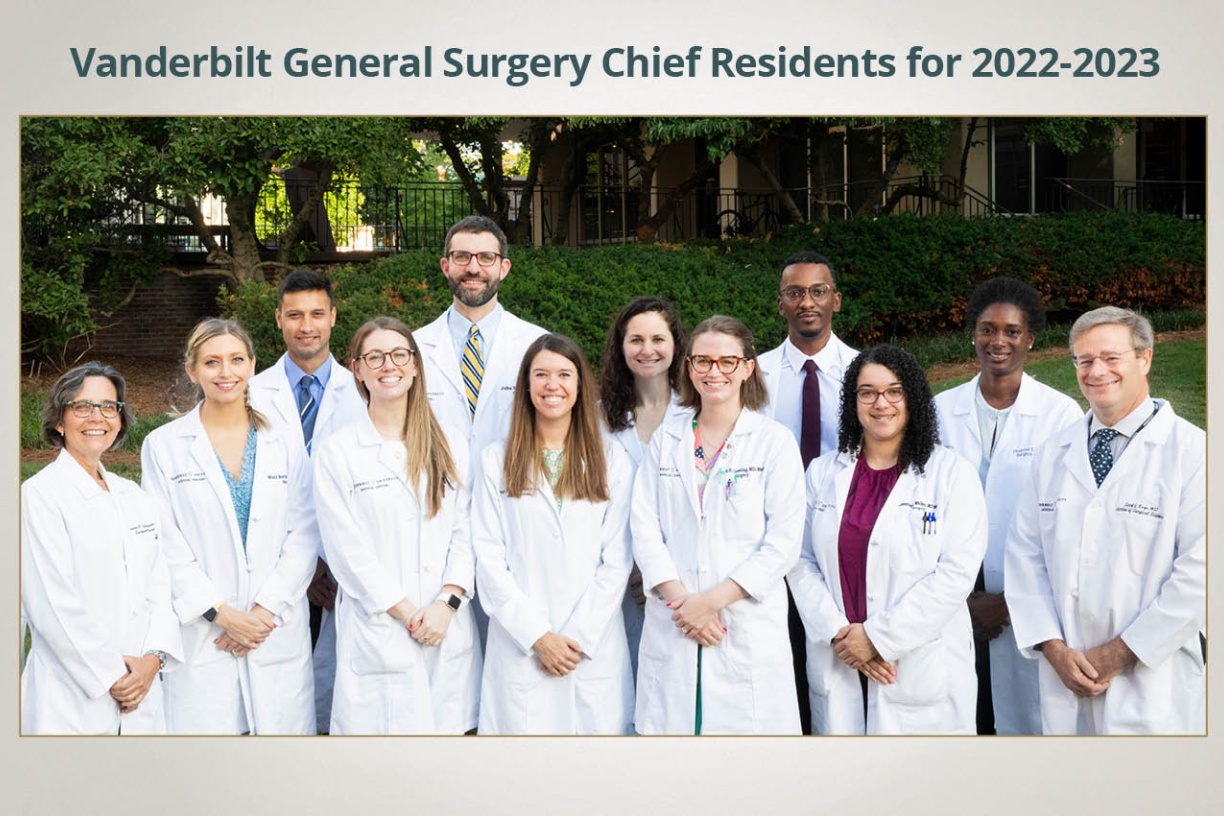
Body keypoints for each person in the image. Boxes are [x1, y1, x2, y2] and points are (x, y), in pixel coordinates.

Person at [1005, 307, 1205, 734]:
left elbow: (1203, 575)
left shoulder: (1195, 454)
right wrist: (1052, 647)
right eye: (1085, 360)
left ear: (1145, 358)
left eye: (1112, 357)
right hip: (1065, 677)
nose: (1097, 371)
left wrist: (1119, 653)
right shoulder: (1053, 454)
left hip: (1153, 684)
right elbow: (1024, 558)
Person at [789, 345, 987, 735]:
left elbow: (956, 575)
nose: (881, 403)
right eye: (867, 392)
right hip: (839, 657)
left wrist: (878, 639)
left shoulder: (952, 474)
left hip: (917, 665)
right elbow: (799, 560)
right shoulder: (822, 473)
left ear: (913, 398)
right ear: (853, 401)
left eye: (894, 391)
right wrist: (841, 635)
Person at [141, 318, 317, 734]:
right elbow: (165, 543)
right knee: (209, 763)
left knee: (282, 764)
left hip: (272, 629)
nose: (226, 372)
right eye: (212, 362)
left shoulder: (284, 439)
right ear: (192, 371)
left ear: (253, 365)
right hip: (206, 635)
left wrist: (262, 613)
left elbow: (305, 532)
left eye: (237, 360)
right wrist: (221, 614)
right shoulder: (164, 446)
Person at [631, 316, 804, 735]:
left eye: (727, 362)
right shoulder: (667, 440)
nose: (714, 372)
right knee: (673, 759)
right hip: (676, 621)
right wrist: (684, 604)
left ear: (747, 368)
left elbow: (782, 544)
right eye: (703, 361)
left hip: (742, 624)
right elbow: (645, 528)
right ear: (689, 367)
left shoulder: (774, 442)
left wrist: (711, 603)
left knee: (746, 762)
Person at [312, 317, 481, 734]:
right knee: (380, 763)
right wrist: (409, 614)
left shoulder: (450, 443)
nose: (389, 365)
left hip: (445, 626)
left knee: (449, 758)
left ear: (416, 364)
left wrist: (446, 605)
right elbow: (346, 552)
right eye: (375, 357)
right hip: (381, 631)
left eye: (399, 354)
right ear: (358, 370)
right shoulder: (338, 452)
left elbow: (466, 532)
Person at [934, 277, 1083, 735]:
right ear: (973, 333)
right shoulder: (939, 411)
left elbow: (1069, 526)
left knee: (1025, 724)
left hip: (1024, 595)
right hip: (949, 594)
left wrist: (1011, 603)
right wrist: (954, 599)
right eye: (987, 329)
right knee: (960, 719)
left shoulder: (1061, 415)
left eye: (1012, 331)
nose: (998, 341)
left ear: (1030, 338)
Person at [471, 334, 634, 734]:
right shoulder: (496, 461)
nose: (552, 385)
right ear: (526, 385)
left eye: (564, 374)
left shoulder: (611, 458)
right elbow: (488, 560)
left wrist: (576, 638)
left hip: (591, 648)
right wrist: (539, 637)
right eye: (541, 374)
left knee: (596, 765)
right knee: (524, 766)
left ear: (580, 385)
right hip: (523, 648)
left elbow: (617, 559)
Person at [21, 362, 182, 734]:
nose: (97, 416)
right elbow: (51, 605)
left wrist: (152, 661)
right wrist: (115, 677)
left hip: (142, 693)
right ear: (59, 422)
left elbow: (160, 588)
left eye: (109, 406)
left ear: (120, 420)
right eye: (82, 406)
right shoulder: (39, 496)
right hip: (71, 701)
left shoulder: (134, 496)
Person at [414, 216, 547, 644]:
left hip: (513, 523)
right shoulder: (412, 350)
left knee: (515, 645)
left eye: (486, 257)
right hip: (435, 526)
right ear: (445, 266)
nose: (473, 267)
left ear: (503, 267)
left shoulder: (536, 346)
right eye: (462, 257)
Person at [247, 268, 366, 733]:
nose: (306, 326)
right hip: (276, 561)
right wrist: (307, 565)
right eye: (294, 315)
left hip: (346, 566)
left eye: (317, 314)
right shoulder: (251, 393)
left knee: (341, 688)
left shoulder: (365, 391)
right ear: (278, 318)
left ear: (334, 316)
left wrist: (328, 564)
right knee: (287, 695)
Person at [756, 250, 858, 733]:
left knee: (837, 664)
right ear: (781, 304)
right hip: (766, 541)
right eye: (794, 293)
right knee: (780, 663)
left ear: (835, 300)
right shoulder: (752, 376)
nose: (806, 302)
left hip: (840, 541)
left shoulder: (864, 372)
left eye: (818, 291)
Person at [598, 296, 690, 679]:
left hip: (680, 575)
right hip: (614, 573)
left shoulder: (696, 413)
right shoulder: (597, 416)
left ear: (676, 345)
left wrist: (656, 571)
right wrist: (632, 568)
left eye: (658, 339)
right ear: (621, 347)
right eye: (636, 340)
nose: (647, 349)